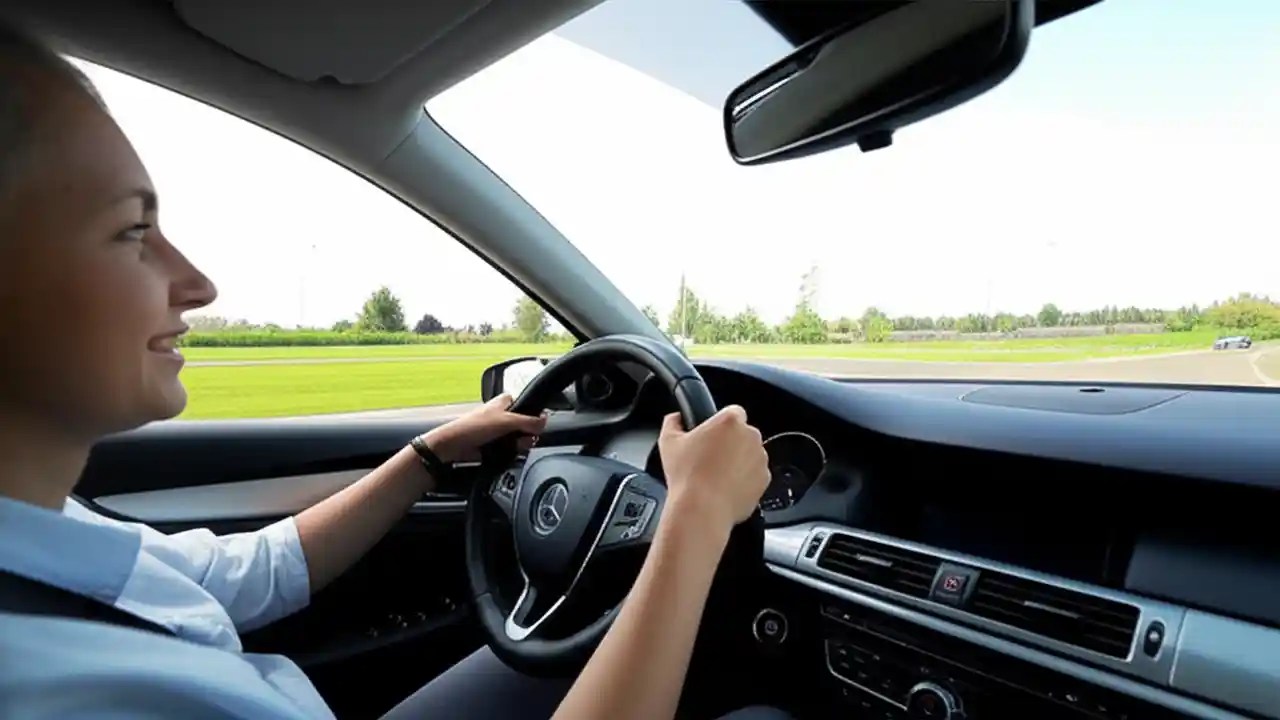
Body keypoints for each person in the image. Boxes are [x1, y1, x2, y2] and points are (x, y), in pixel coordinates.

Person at [0, 21, 785, 720]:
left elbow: (248, 574)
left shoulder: (50, 531)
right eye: (132, 231)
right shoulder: (57, 690)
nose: (198, 284)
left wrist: (429, 455)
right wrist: (696, 512)